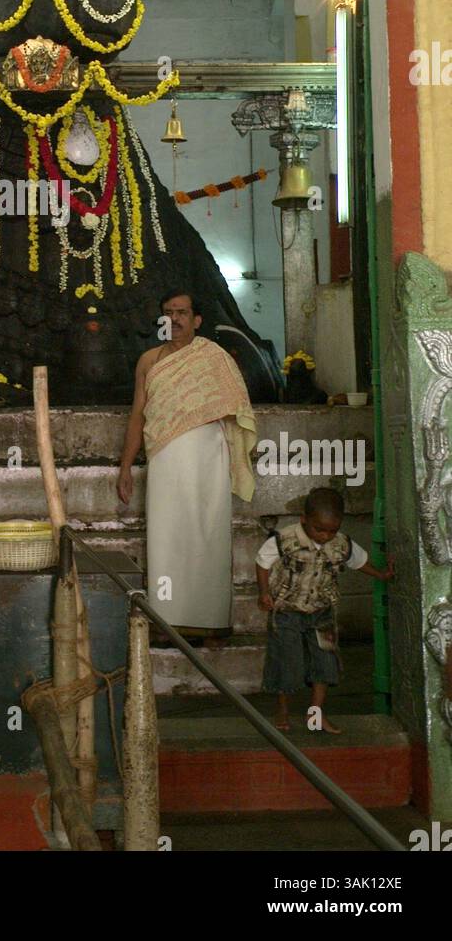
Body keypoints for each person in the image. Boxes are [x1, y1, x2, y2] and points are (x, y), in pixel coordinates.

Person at [117, 288, 256, 644]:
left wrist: (197, 407)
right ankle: (169, 622)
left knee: (208, 534)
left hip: (207, 456)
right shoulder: (148, 361)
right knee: (166, 536)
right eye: (168, 312)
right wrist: (126, 466)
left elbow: (235, 407)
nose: (175, 319)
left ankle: (210, 623)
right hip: (164, 455)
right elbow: (137, 414)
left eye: (182, 312)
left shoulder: (214, 358)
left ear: (197, 320)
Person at [256, 485, 394, 733]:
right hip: (287, 611)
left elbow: (359, 561)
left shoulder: (341, 544)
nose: (325, 536)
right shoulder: (285, 539)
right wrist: (264, 592)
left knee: (325, 663)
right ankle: (282, 710)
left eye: (332, 530)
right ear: (304, 520)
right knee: (286, 663)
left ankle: (315, 715)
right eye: (319, 529)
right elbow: (262, 562)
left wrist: (381, 574)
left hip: (322, 613)